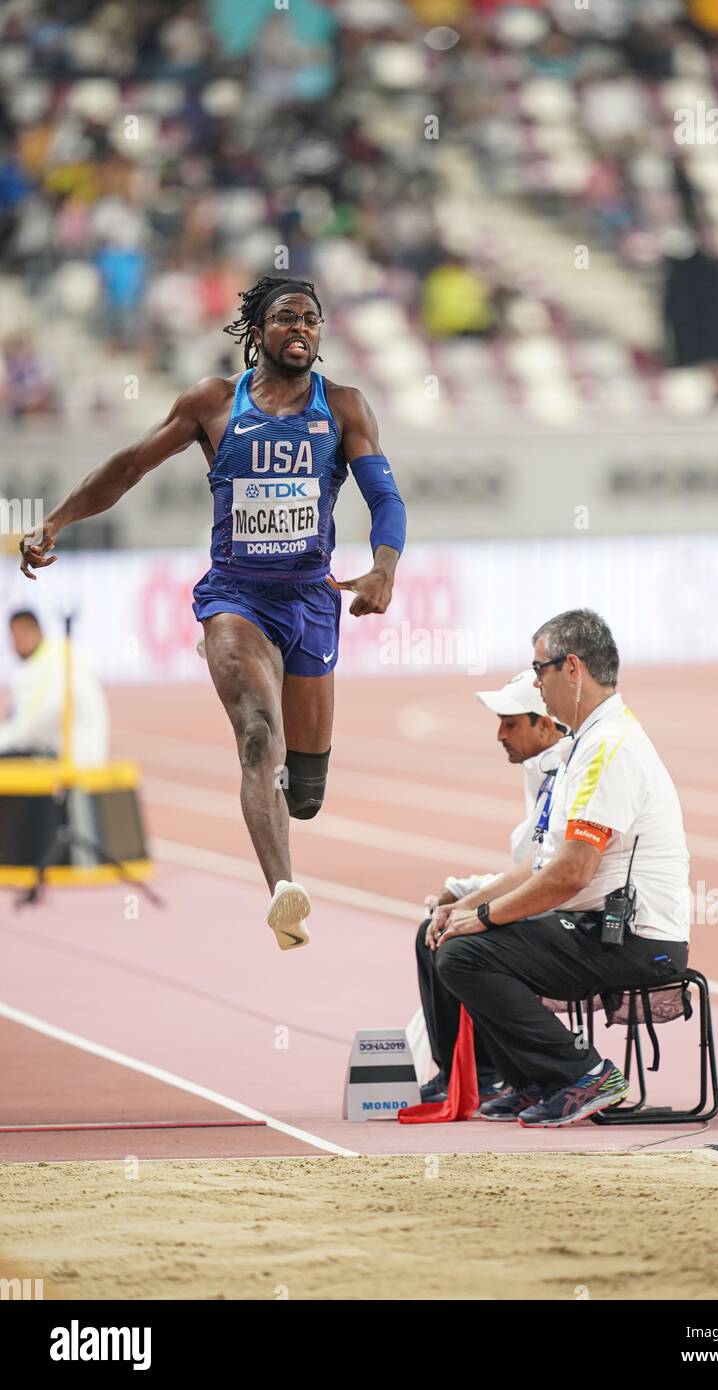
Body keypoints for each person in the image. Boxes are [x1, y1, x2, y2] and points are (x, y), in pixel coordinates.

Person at [18, 276, 406, 950]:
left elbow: (386, 499)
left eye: (312, 320)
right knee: (258, 735)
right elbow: (129, 467)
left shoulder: (343, 407)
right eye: (287, 317)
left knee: (306, 792)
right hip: (236, 597)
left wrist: (384, 566)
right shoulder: (213, 403)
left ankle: (288, 831)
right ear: (256, 332)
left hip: (311, 601)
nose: (302, 329)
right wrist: (56, 520)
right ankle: (284, 891)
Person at [426, 609, 691, 1128]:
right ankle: (534, 1080)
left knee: (466, 955)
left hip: (635, 939)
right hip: (599, 929)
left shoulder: (609, 747)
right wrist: (469, 906)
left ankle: (582, 1074)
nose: (535, 681)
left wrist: (484, 918)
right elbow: (542, 864)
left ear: (572, 669)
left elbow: (572, 874)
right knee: (454, 938)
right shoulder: (587, 742)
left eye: (539, 668)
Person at [416, 668, 570, 1103]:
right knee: (434, 932)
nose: (500, 735)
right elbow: (533, 863)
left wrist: (474, 905)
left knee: (461, 948)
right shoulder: (543, 773)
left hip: (572, 916)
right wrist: (464, 892)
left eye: (511, 723)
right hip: (546, 901)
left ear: (546, 725)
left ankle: (518, 1072)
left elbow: (553, 871)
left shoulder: (569, 775)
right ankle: (467, 1073)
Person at [0, 611, 109, 765]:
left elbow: (29, 727)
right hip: (64, 753)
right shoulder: (53, 657)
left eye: (17, 635)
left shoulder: (53, 665)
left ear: (33, 631)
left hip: (72, 760)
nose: (14, 642)